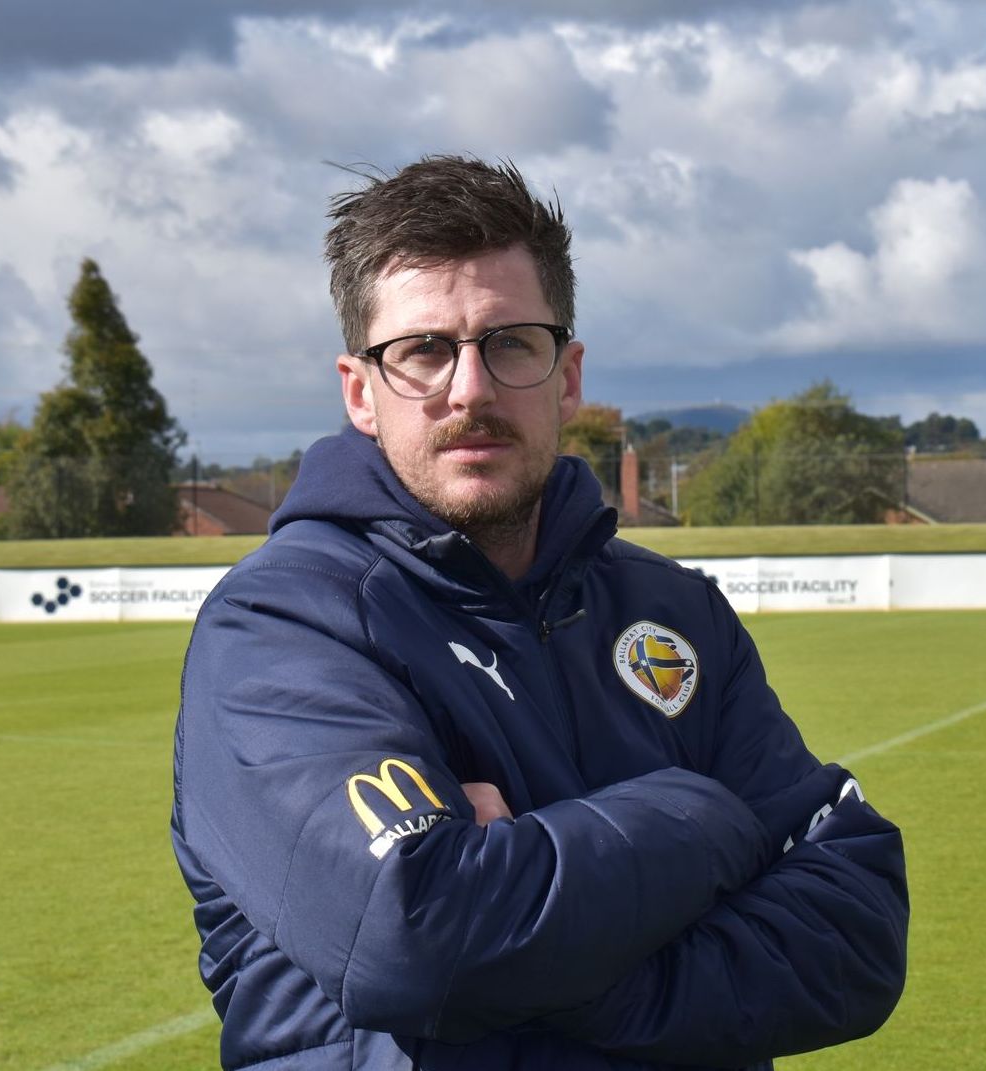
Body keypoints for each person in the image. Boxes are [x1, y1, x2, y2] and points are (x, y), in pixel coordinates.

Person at [171, 156, 909, 1071]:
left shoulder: (673, 612)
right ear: (360, 390)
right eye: (423, 350)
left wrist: (574, 970)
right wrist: (705, 816)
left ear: (566, 376)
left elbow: (857, 932)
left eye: (509, 342)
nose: (469, 389)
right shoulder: (283, 624)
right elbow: (417, 936)